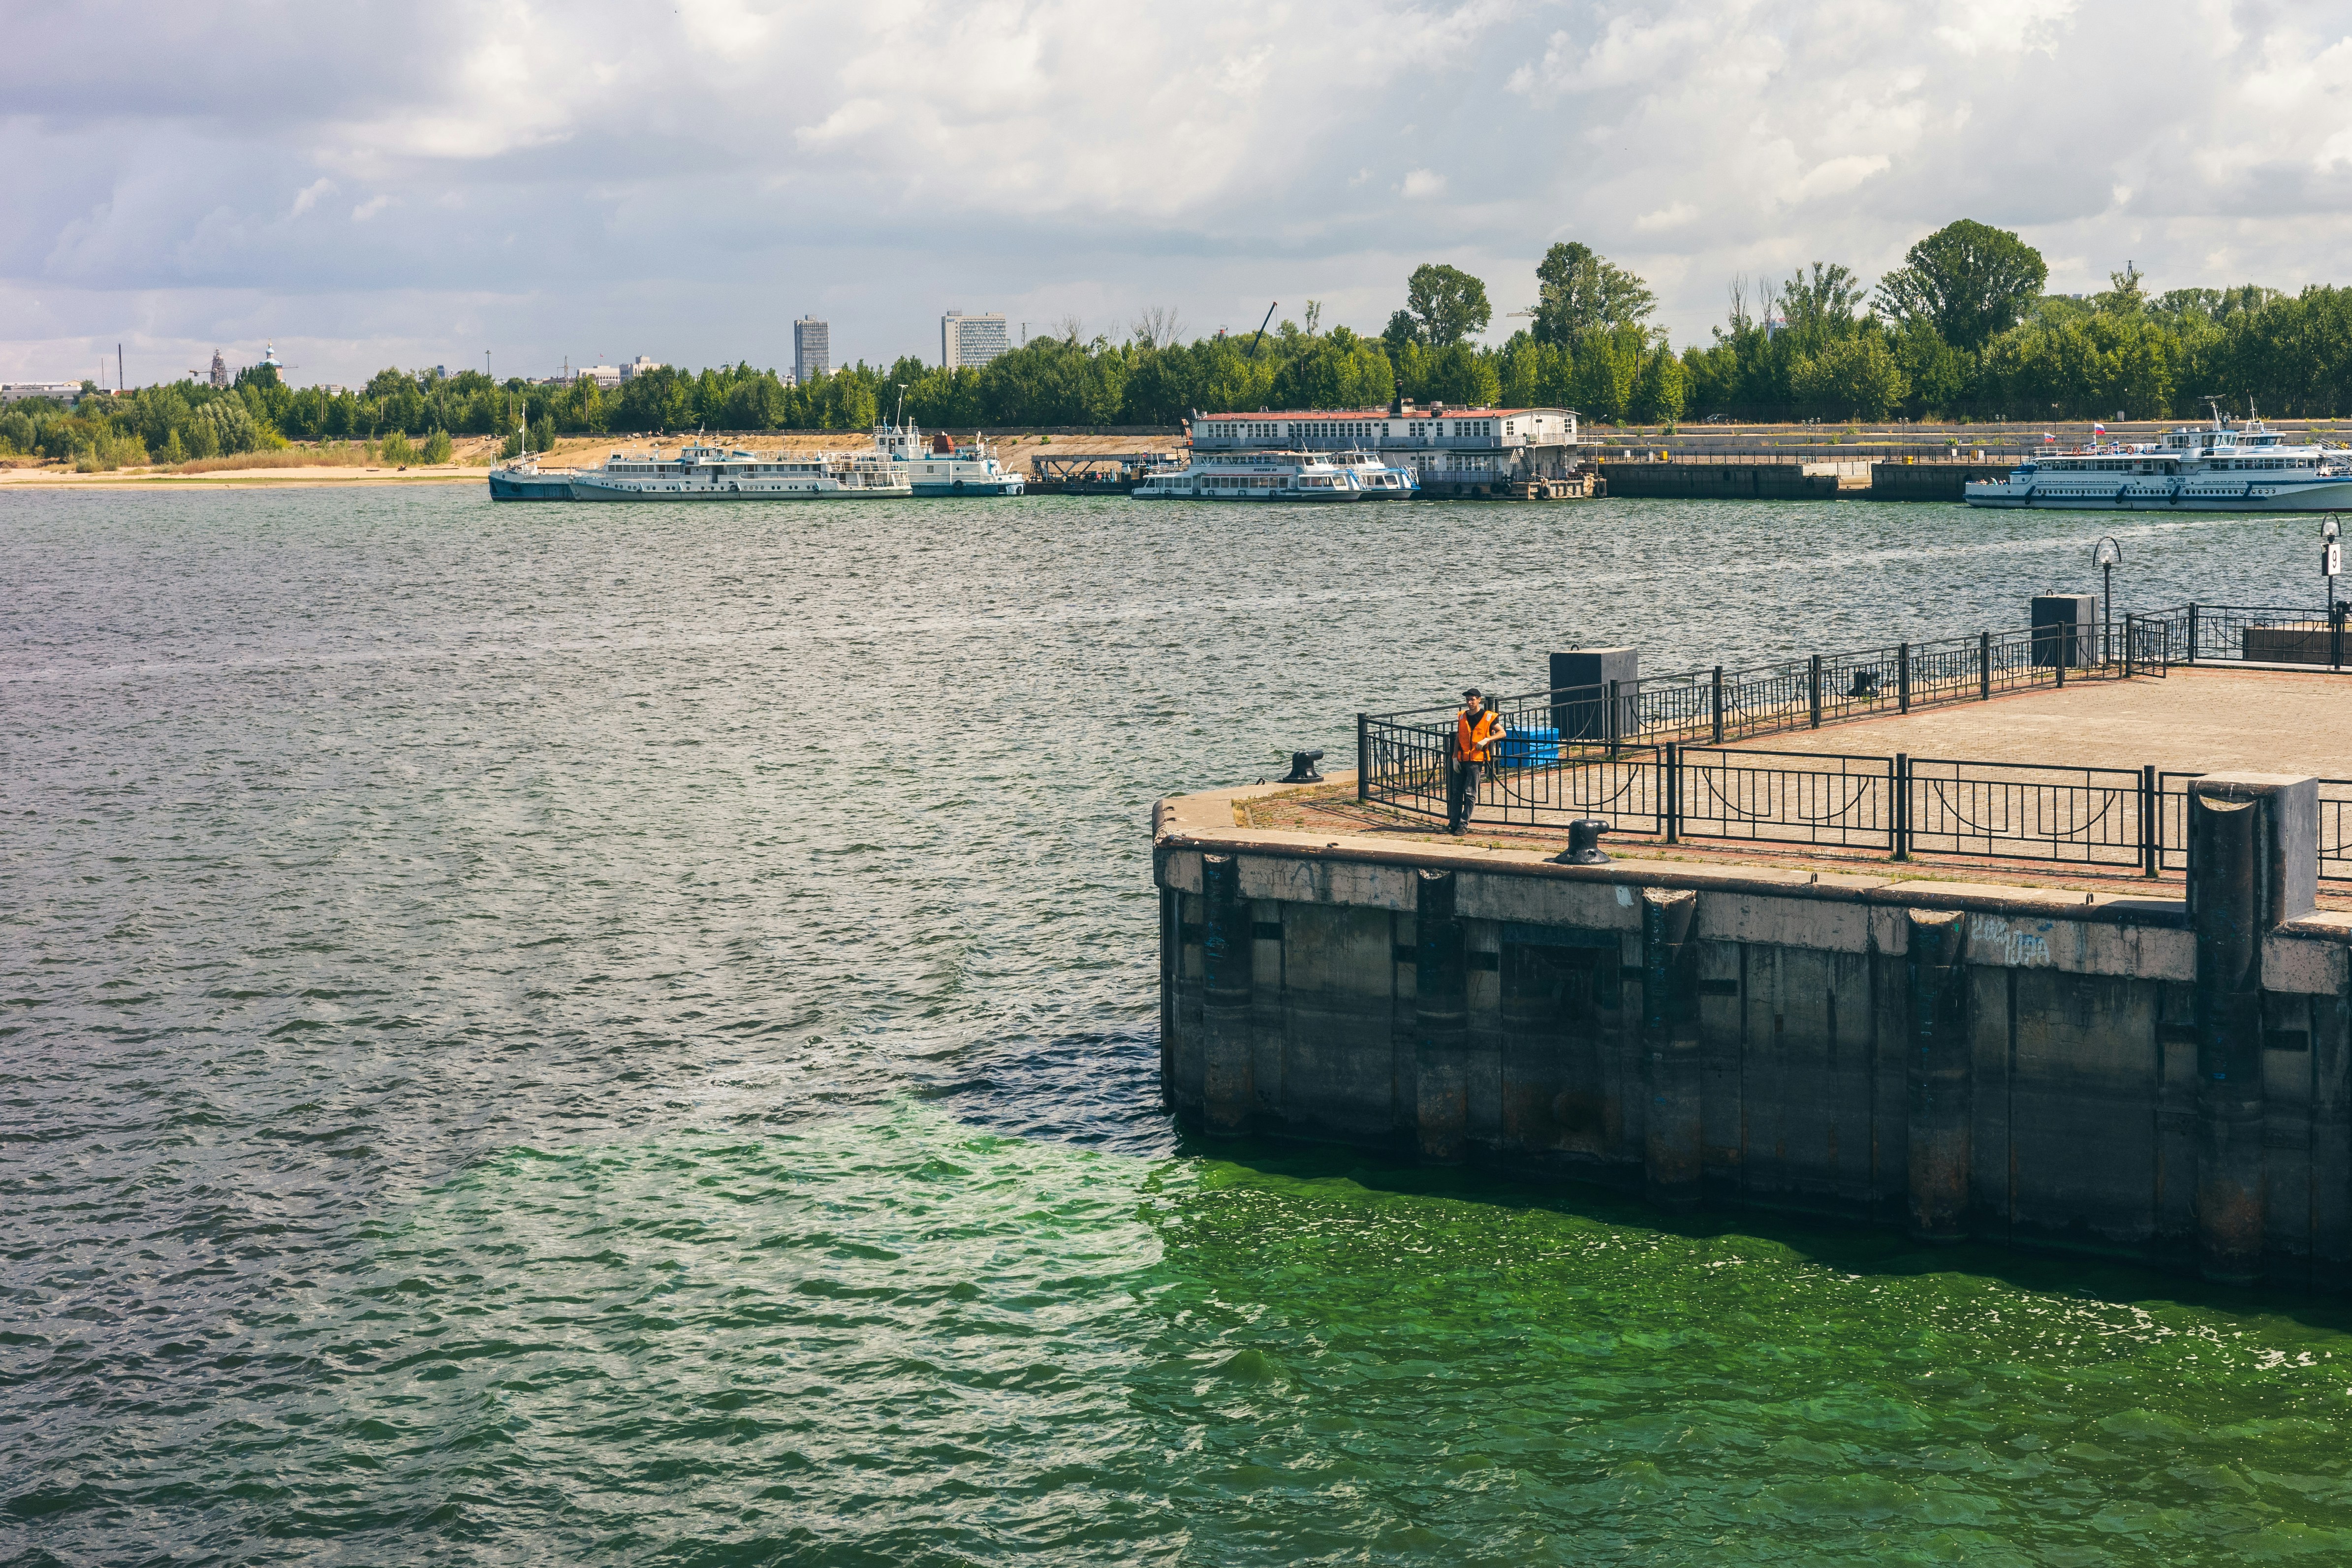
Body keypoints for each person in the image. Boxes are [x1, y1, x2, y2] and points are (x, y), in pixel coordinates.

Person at [1448, 688, 1504, 835]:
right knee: (1456, 793)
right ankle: (1453, 823)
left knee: (1470, 793)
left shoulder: (1487, 717)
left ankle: (1463, 825)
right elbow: (1459, 738)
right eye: (1468, 700)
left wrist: (1488, 739)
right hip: (1461, 759)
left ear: (1479, 700)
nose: (1470, 702)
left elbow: (1502, 733)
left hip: (1475, 761)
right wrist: (1454, 757)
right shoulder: (1462, 717)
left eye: (1473, 699)